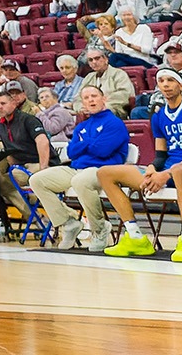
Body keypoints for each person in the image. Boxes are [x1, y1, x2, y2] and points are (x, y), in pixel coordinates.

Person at [97, 69, 182, 262]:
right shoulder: (158, 116)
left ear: (181, 85)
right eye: (161, 81)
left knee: (180, 170)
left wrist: (166, 174)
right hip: (167, 172)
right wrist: (152, 168)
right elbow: (161, 154)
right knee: (105, 173)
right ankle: (135, 236)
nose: (165, 84)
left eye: (171, 80)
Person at [27, 84, 129, 250]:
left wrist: (84, 143)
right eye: (86, 98)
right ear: (83, 103)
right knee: (37, 179)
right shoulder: (81, 126)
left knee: (80, 181)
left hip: (104, 170)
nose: (91, 100)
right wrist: (89, 144)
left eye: (94, 96)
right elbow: (71, 151)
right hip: (76, 168)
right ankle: (68, 222)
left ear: (104, 99)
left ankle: (99, 228)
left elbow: (103, 151)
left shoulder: (114, 123)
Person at [0, 85, 49, 231]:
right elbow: (10, 150)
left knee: (33, 181)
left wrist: (44, 167)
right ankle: (36, 217)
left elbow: (42, 142)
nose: (0, 107)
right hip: (21, 167)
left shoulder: (28, 120)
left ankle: (67, 217)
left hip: (39, 163)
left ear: (13, 103)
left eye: (3, 104)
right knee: (1, 182)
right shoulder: (0, 125)